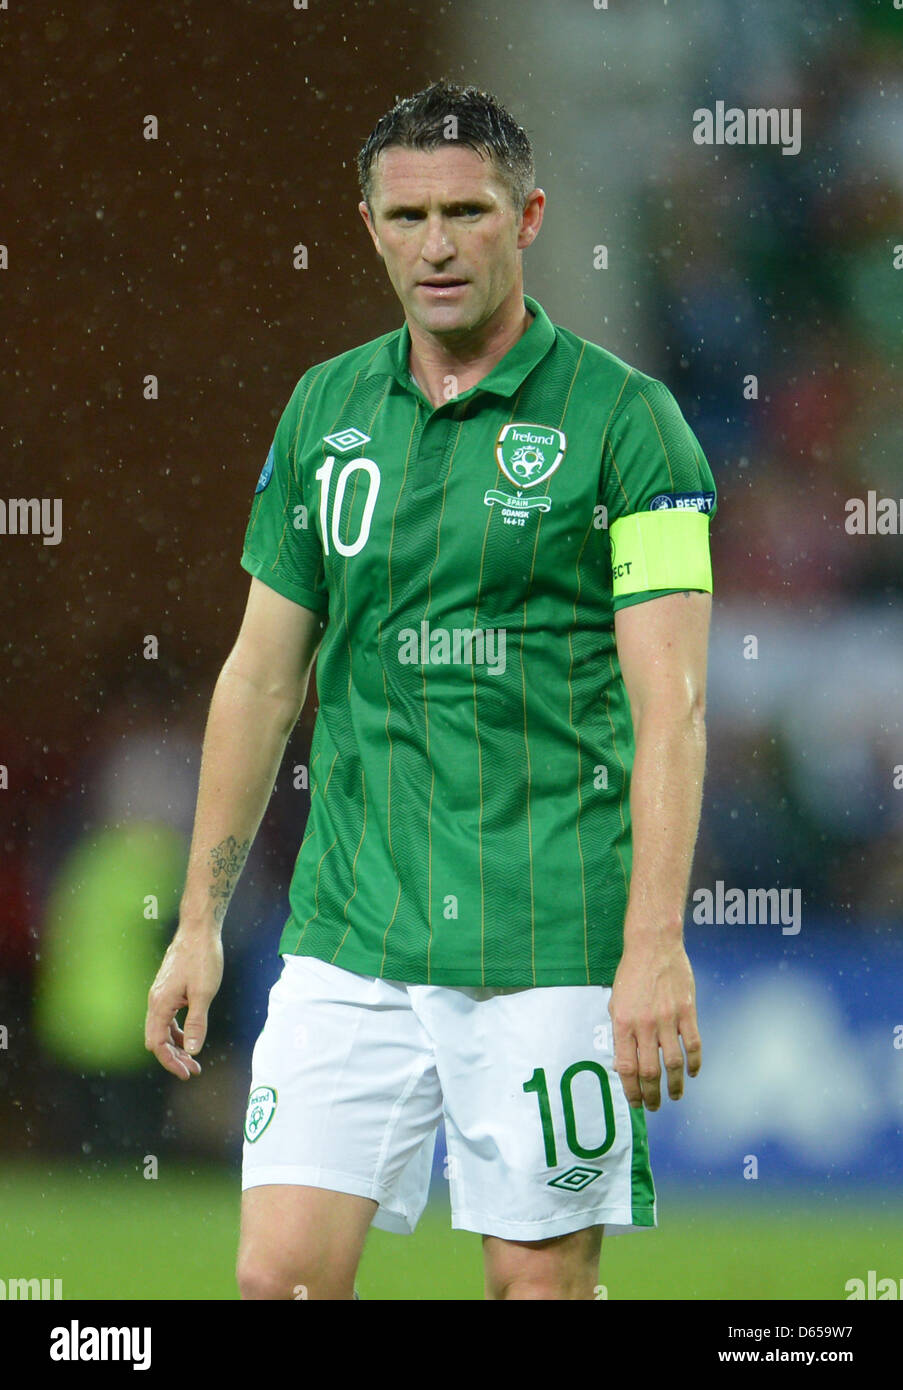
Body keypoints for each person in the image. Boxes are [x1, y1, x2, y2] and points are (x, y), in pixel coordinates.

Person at [145, 79, 716, 1301]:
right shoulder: (326, 409)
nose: (437, 245)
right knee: (279, 1283)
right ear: (368, 227)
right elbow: (260, 677)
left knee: (536, 1290)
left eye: (468, 211)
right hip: (352, 933)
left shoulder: (632, 424)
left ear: (530, 217)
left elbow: (670, 706)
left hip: (548, 935)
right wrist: (198, 922)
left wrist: (654, 941)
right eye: (408, 217)